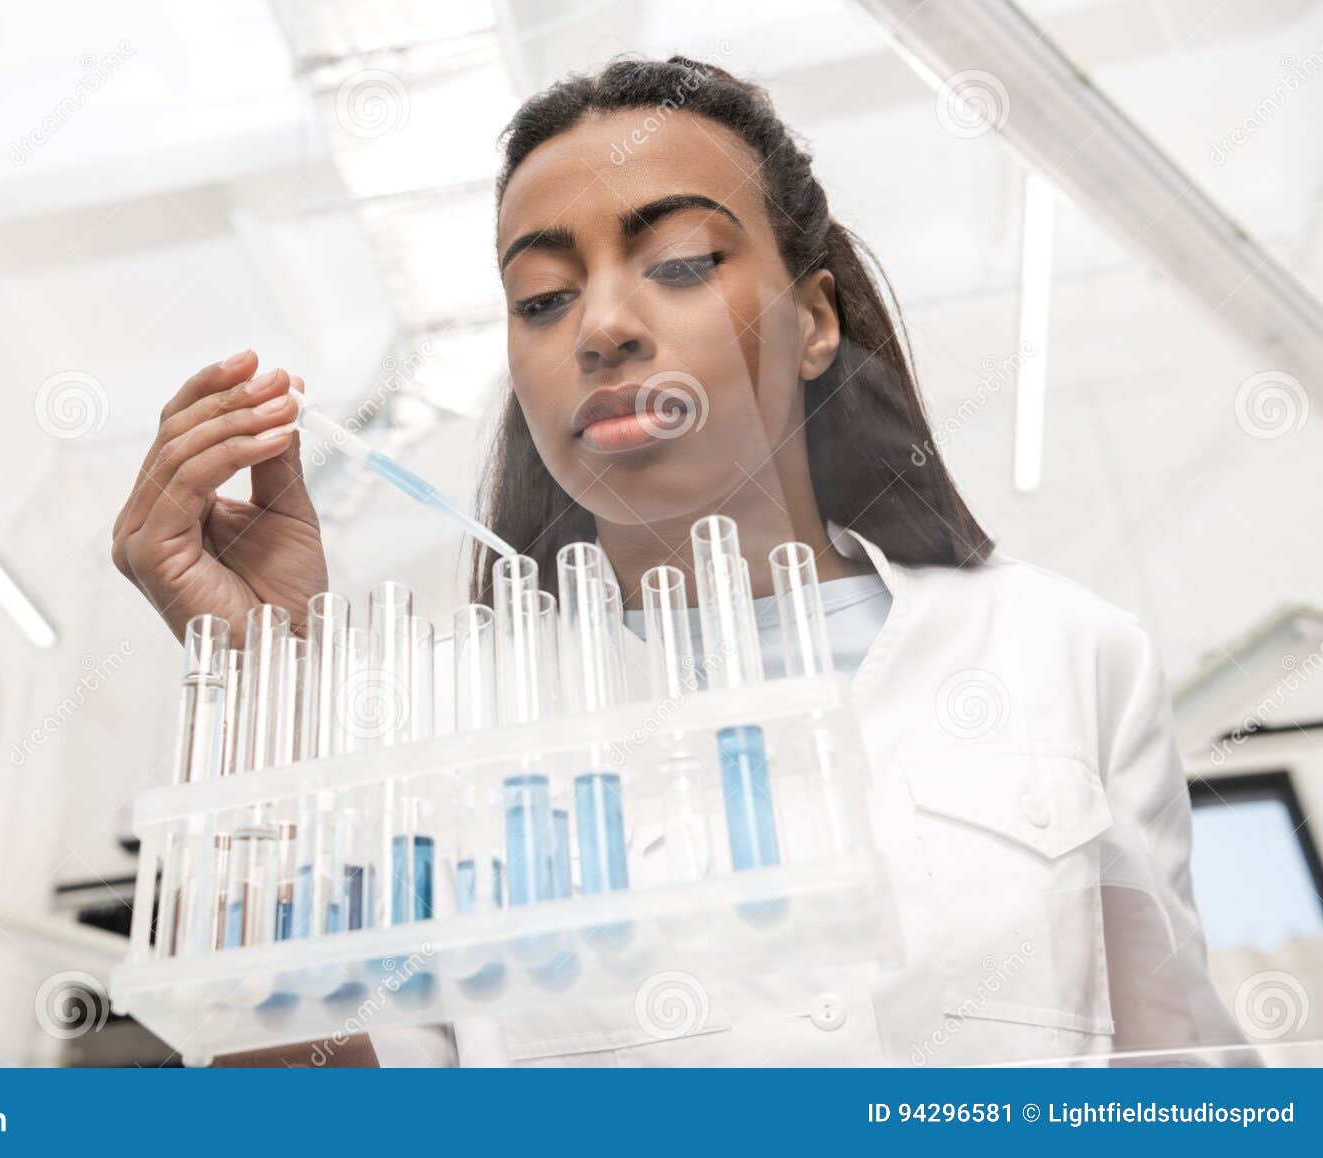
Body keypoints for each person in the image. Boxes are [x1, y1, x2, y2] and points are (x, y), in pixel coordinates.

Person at [112, 57, 1243, 1066]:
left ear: (813, 321)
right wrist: (266, 705)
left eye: (682, 261)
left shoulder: (1057, 651)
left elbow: (1178, 1078)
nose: (600, 326)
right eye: (542, 299)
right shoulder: (428, 725)